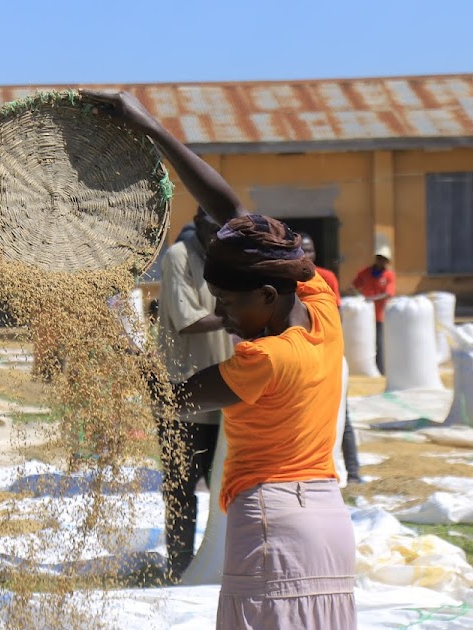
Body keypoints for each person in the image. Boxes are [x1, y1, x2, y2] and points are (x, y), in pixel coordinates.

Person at [87, 90, 356, 629]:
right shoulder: (319, 308)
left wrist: (120, 343)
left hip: (272, 526)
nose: (223, 316)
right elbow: (233, 213)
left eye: (230, 305)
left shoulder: (265, 359)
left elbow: (174, 400)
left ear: (267, 295)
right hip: (328, 523)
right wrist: (150, 127)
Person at [155, 208, 235, 579]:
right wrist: (238, 315)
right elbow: (186, 321)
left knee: (227, 489)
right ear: (200, 224)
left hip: (226, 393)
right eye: (214, 230)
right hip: (183, 396)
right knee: (181, 491)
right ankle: (179, 568)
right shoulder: (180, 257)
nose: (219, 237)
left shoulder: (226, 260)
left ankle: (217, 566)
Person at [299, 233, 362, 485]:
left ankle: (354, 471)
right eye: (301, 251)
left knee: (341, 414)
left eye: (310, 251)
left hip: (325, 354)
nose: (306, 256)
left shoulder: (326, 278)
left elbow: (334, 317)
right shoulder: (285, 280)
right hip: (299, 357)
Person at [352, 247, 396, 375]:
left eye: (383, 260)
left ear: (387, 262)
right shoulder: (365, 272)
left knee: (379, 342)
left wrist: (371, 299)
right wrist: (359, 296)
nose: (380, 261)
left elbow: (388, 293)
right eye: (379, 258)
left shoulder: (389, 275)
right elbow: (353, 286)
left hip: (380, 315)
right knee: (364, 341)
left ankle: (381, 369)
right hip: (364, 316)